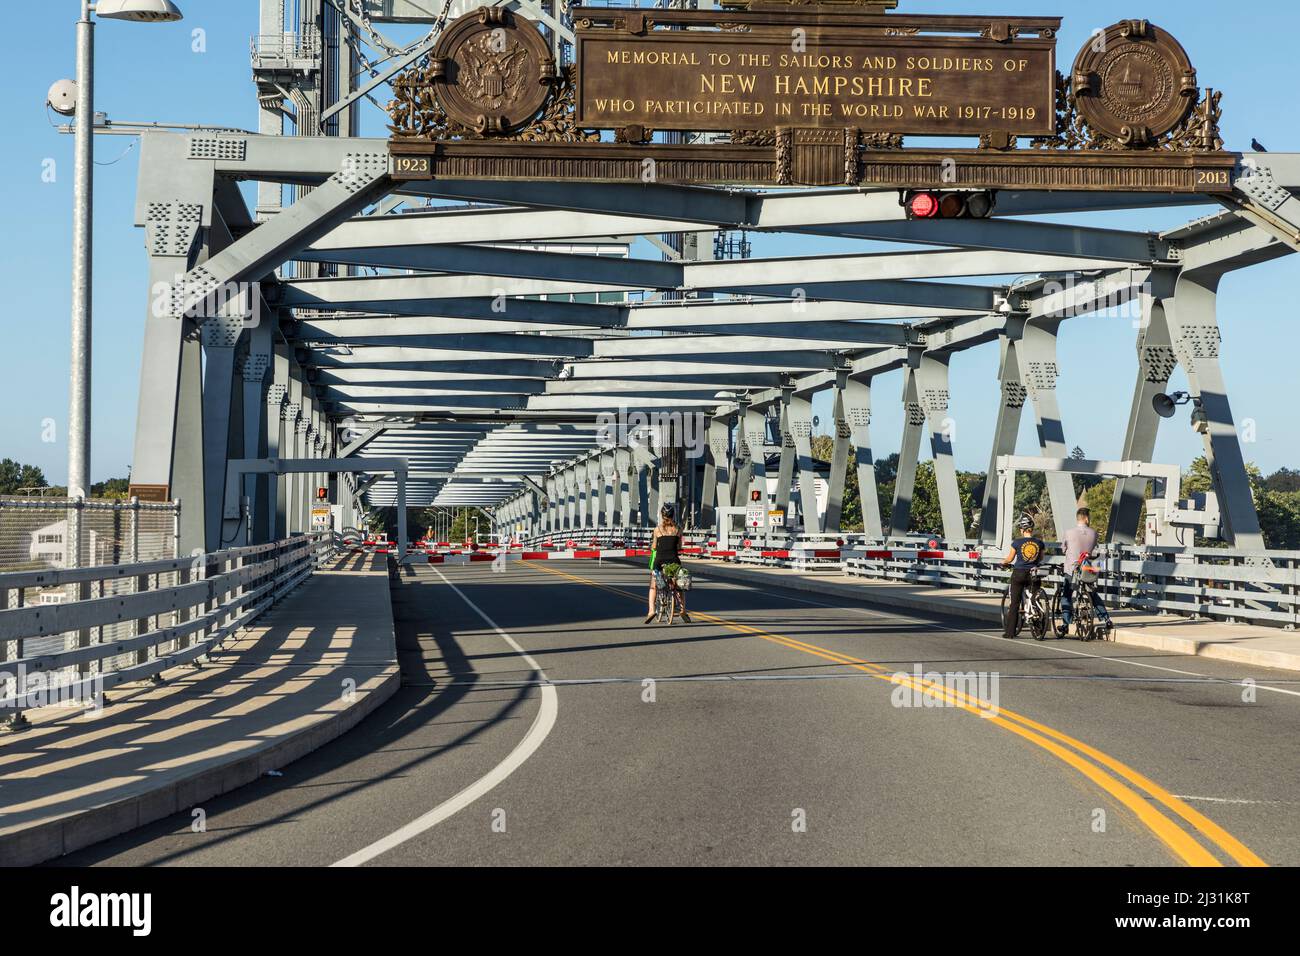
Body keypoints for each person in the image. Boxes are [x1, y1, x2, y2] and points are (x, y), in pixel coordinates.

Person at [1058, 507, 1112, 636]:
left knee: (1066, 595)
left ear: (1078, 518)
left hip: (1072, 569)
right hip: (1087, 569)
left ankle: (1066, 624)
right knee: (1093, 594)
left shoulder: (1069, 532)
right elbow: (1093, 550)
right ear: (1087, 518)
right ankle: (1106, 619)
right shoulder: (1094, 533)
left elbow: (1063, 549)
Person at [645, 504, 691, 624]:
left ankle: (651, 611)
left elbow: (654, 546)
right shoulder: (678, 529)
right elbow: (679, 546)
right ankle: (683, 610)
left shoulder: (657, 530)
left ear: (662, 515)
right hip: (674, 561)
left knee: (653, 586)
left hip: (660, 561)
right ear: (673, 515)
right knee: (679, 587)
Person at [1001, 514, 1044, 639]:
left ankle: (1010, 632)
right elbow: (1041, 558)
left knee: (1015, 603)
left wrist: (1003, 562)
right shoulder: (1039, 543)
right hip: (1034, 574)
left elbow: (1010, 558)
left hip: (1019, 573)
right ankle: (1038, 628)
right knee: (1034, 599)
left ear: (1022, 529)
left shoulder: (1017, 542)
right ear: (1031, 529)